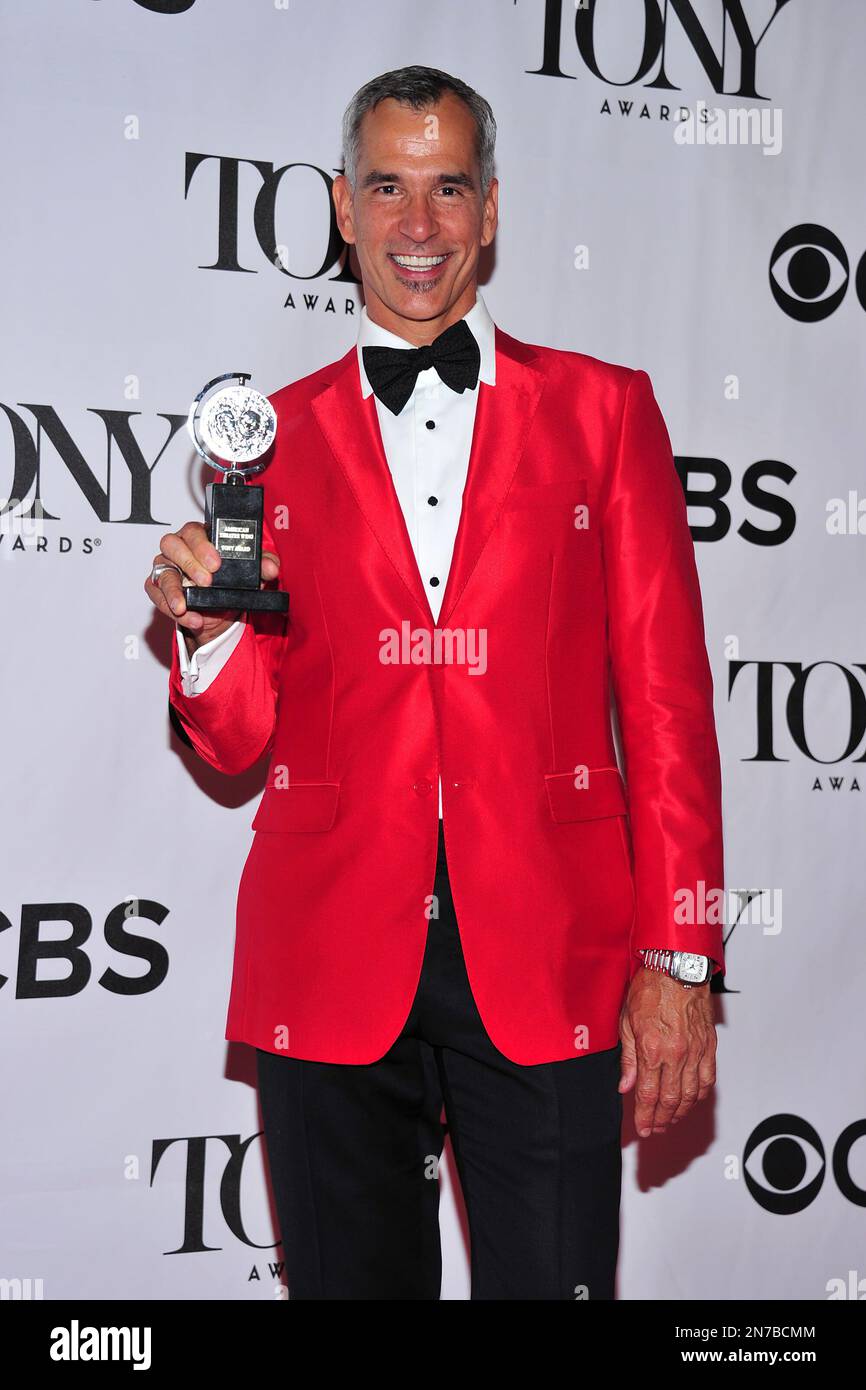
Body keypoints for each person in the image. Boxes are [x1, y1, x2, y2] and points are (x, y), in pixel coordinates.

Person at [145, 65, 725, 1301]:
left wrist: (677, 959)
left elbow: (667, 705)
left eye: (448, 188)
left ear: (492, 208)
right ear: (343, 210)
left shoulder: (605, 414)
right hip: (333, 945)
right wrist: (203, 636)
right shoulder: (272, 438)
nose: (419, 226)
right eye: (388, 189)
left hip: (551, 948)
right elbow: (240, 740)